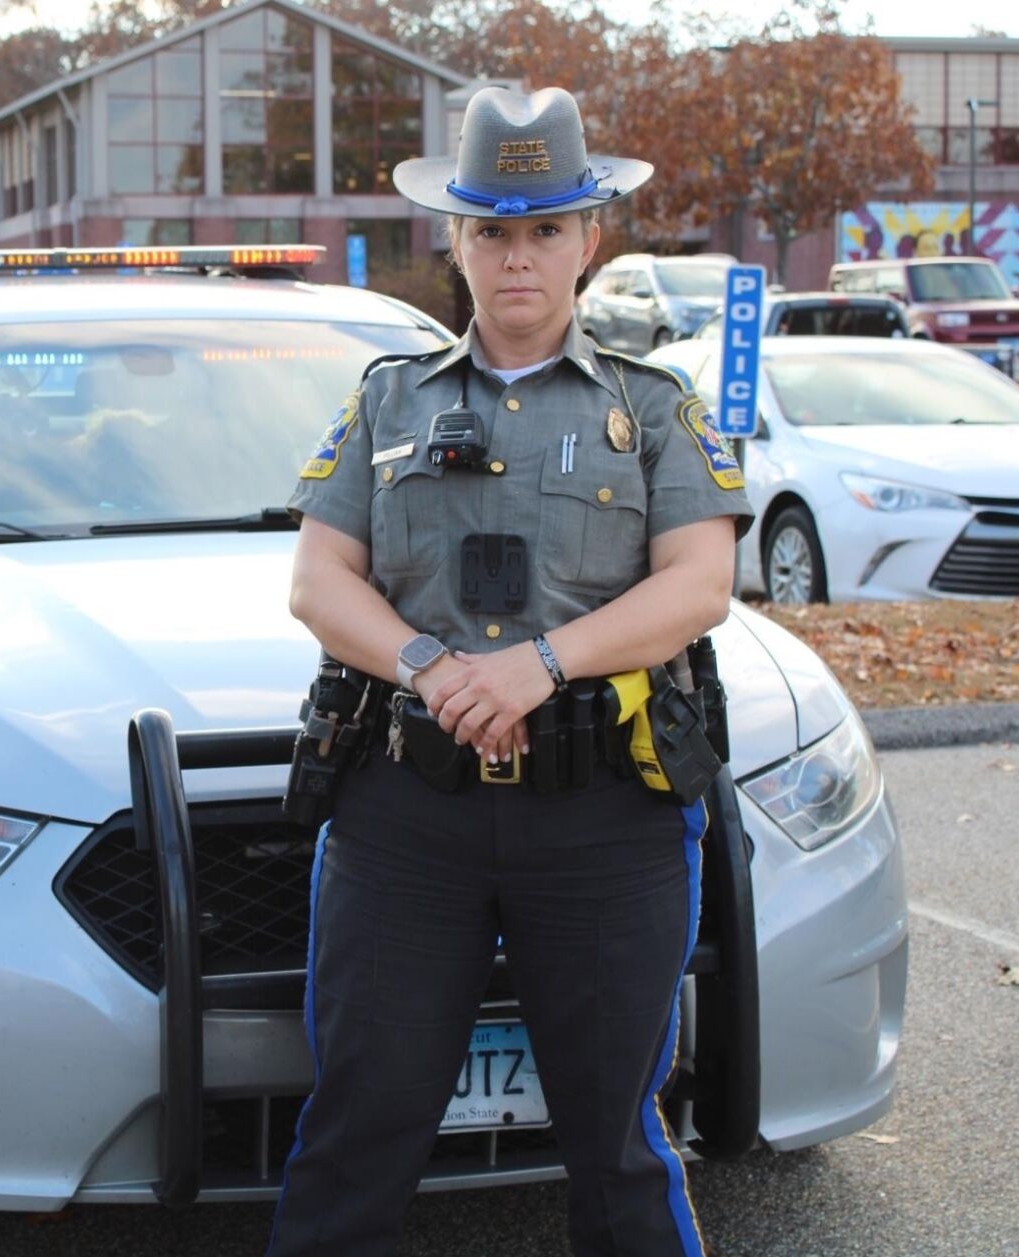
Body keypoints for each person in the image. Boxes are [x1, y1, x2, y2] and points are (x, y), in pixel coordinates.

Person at [267, 85, 755, 1257]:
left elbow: (697, 585)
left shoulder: (653, 407)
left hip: (604, 820)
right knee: (355, 1134)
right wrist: (430, 668)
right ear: (456, 240)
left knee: (617, 1144)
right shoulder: (386, 398)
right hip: (406, 817)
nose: (517, 255)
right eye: (491, 230)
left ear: (589, 239)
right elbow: (318, 581)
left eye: (545, 228)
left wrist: (539, 665)